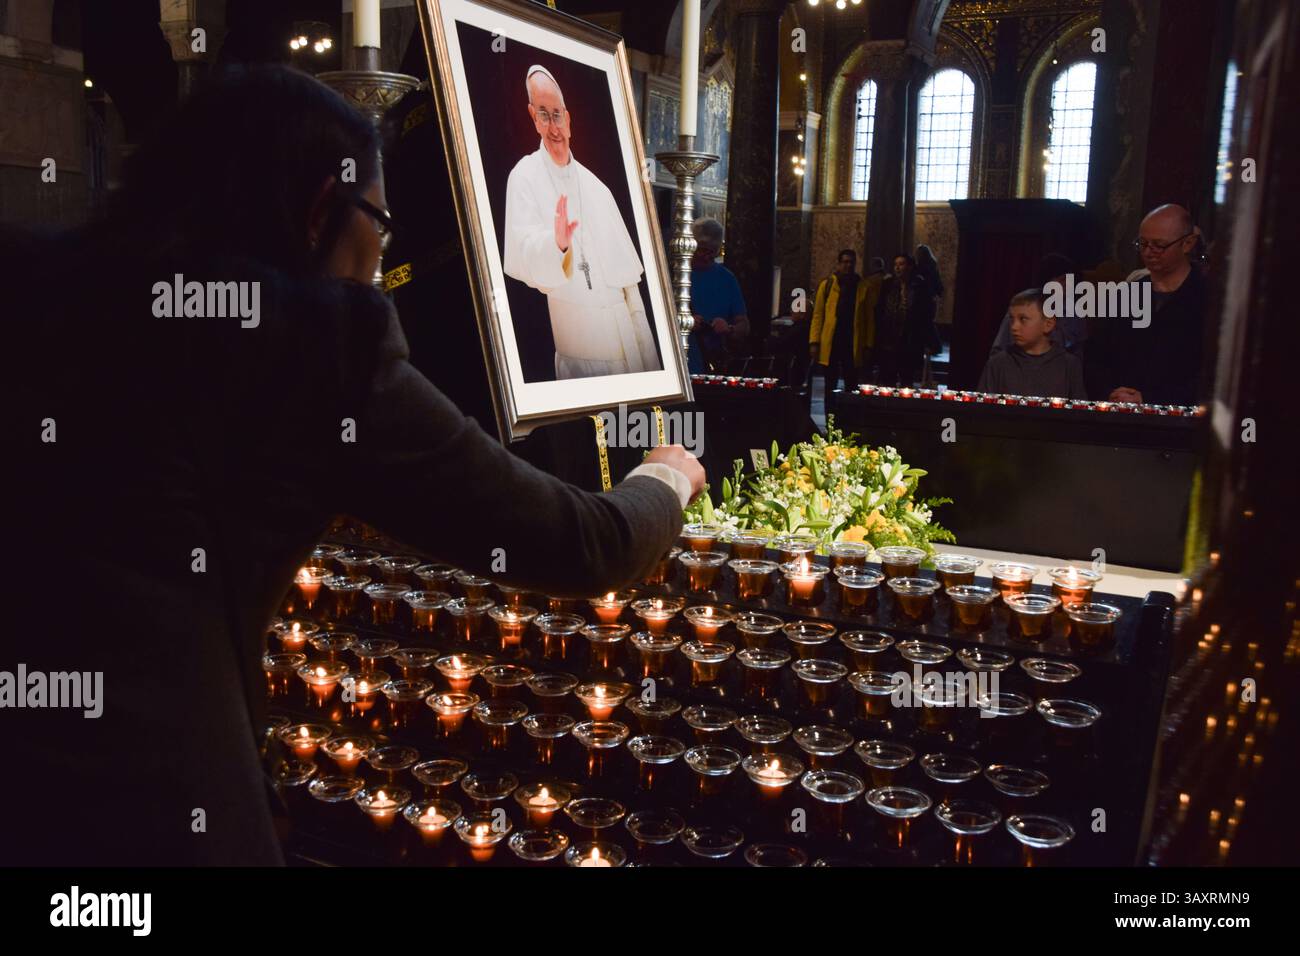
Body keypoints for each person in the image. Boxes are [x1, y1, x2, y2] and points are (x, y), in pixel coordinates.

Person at [2, 66, 704, 866]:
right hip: (145, 818)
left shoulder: (27, 285)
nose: (380, 255)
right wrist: (665, 477)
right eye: (380, 222)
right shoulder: (305, 344)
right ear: (318, 213)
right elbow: (586, 543)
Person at [503, 65, 660, 379]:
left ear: (569, 118)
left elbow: (630, 290)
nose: (554, 127)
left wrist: (650, 364)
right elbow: (523, 251)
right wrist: (557, 245)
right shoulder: (524, 175)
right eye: (544, 115)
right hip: (580, 355)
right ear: (533, 117)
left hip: (627, 347)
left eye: (557, 114)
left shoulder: (597, 187)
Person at [1087, 203, 1208, 405]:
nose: (1148, 252)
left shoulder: (1209, 299)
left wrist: (1150, 399)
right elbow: (1096, 358)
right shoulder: (1125, 296)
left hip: (1181, 422)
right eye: (1142, 244)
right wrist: (1111, 394)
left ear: (1187, 244)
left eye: (1159, 245)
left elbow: (1211, 377)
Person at [977, 289, 1087, 399]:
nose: (1014, 327)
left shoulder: (1069, 365)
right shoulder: (998, 364)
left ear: (1048, 324)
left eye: (1023, 319)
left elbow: (1078, 412)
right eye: (1012, 319)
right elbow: (983, 410)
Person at [809, 250, 876, 403]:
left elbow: (869, 319)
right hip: (831, 342)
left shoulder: (863, 287)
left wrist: (868, 345)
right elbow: (818, 315)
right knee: (829, 384)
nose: (848, 265)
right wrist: (814, 341)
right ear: (839, 264)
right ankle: (830, 418)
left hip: (852, 341)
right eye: (845, 262)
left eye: (851, 262)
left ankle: (847, 419)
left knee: (851, 383)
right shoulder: (827, 286)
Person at [687, 216, 749, 373]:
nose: (707, 256)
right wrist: (685, 322)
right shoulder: (674, 274)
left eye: (712, 252)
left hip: (711, 364)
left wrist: (728, 328)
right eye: (702, 249)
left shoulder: (727, 279)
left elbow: (743, 324)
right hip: (680, 363)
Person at [874, 253, 936, 386]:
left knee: (906, 379)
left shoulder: (919, 286)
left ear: (909, 267)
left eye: (901, 264)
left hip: (910, 340)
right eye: (895, 264)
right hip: (889, 339)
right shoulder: (888, 284)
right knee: (888, 379)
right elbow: (880, 309)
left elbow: (926, 314)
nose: (897, 268)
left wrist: (926, 340)